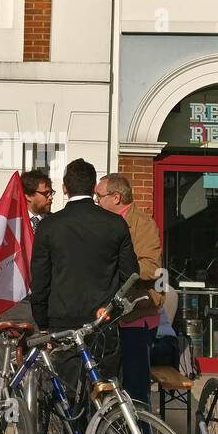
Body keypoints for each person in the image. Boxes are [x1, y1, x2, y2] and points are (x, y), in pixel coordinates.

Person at [29, 159, 139, 412]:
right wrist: (112, 310)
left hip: (62, 322)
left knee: (68, 398)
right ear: (92, 188)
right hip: (102, 323)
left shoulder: (49, 226)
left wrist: (42, 321)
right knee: (105, 397)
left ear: (65, 188)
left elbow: (40, 280)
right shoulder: (115, 224)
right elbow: (131, 274)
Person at [94, 173, 164, 410]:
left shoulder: (143, 224)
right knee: (107, 386)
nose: (96, 201)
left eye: (99, 196)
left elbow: (152, 268)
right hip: (108, 317)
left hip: (134, 317)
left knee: (135, 389)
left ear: (116, 197)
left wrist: (112, 267)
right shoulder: (102, 222)